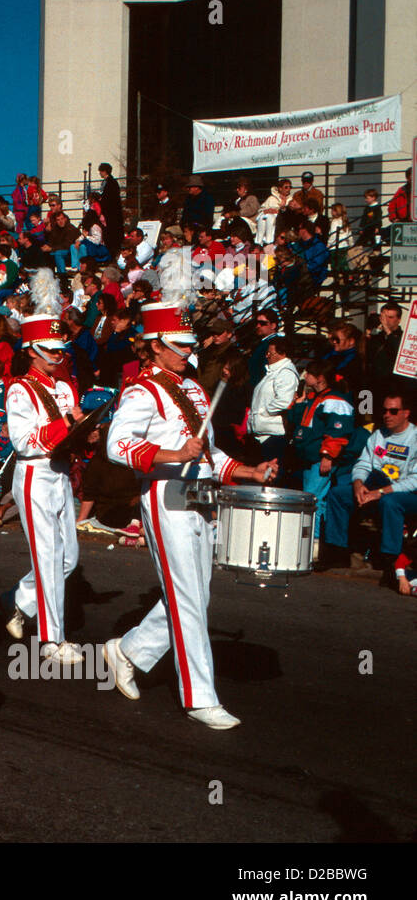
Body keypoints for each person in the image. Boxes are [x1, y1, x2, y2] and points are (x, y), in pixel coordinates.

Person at [103, 286, 277, 729]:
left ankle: (128, 651)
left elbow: (209, 454)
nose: (187, 353)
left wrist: (249, 472)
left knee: (195, 596)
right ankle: (200, 697)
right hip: (165, 498)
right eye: (179, 347)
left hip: (200, 497)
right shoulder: (142, 392)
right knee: (187, 598)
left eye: (189, 346)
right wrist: (173, 455)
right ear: (156, 347)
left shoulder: (195, 391)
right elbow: (117, 445)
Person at [0, 273, 86, 664]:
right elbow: (24, 442)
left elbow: (70, 430)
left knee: (68, 558)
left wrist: (88, 430)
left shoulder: (65, 388)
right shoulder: (19, 388)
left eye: (59, 349)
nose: (57, 355)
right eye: (50, 350)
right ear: (33, 350)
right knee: (50, 557)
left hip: (63, 472)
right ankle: (52, 641)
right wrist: (66, 426)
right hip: (35, 474)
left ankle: (21, 602)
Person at [318, 392, 417, 583]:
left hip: (406, 494)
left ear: (406, 413)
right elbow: (363, 463)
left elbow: (414, 480)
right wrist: (358, 484)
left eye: (393, 411)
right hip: (375, 485)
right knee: (338, 494)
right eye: (385, 410)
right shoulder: (378, 435)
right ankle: (337, 552)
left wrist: (380, 493)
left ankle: (390, 560)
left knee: (390, 502)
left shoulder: (414, 438)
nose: (387, 415)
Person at [289, 361, 357, 541]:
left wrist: (328, 455)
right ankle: (316, 544)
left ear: (319, 378)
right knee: (315, 499)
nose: (305, 377)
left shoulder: (334, 400)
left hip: (320, 460)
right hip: (308, 459)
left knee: (313, 501)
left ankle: (313, 545)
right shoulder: (314, 399)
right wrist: (298, 403)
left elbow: (338, 430)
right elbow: (296, 421)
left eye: (309, 373)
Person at [248, 336, 298, 464]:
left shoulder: (286, 373)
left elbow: (284, 402)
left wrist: (262, 412)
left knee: (271, 476)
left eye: (270, 353)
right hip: (262, 434)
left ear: (282, 354)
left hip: (274, 434)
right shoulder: (272, 372)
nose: (267, 356)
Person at [98, 162, 123, 256]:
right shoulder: (107, 182)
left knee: (111, 236)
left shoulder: (111, 183)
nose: (99, 173)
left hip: (111, 215)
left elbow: (110, 200)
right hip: (109, 214)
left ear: (104, 171)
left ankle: (112, 254)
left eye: (101, 171)